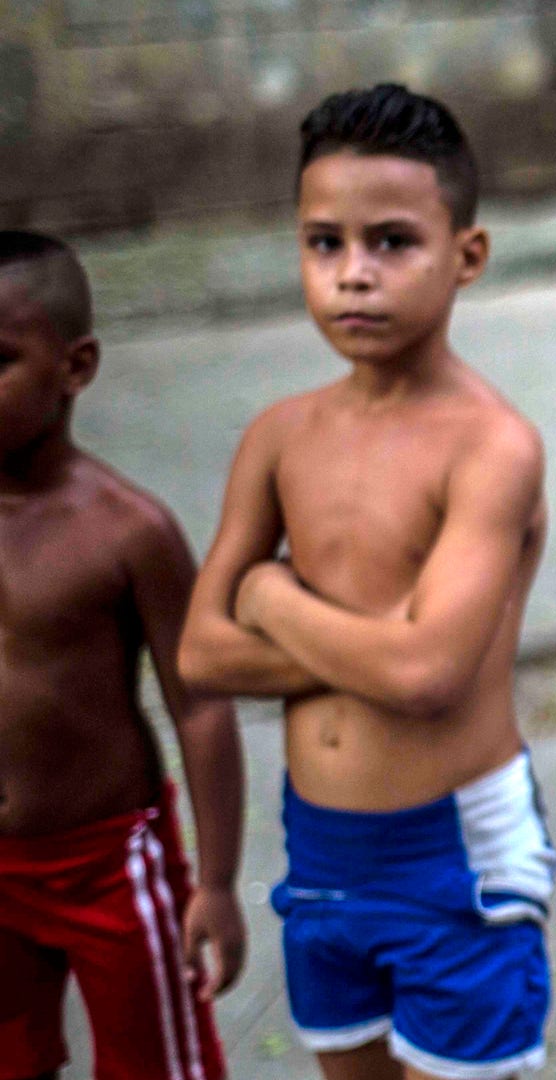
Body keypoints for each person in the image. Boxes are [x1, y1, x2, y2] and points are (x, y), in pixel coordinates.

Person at [179, 85, 556, 1080]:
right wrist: (380, 647)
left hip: (453, 854)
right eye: (324, 243)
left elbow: (427, 676)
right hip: (320, 852)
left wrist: (270, 599)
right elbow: (199, 654)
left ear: (466, 254)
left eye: (392, 242)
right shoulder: (279, 437)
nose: (354, 273)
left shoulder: (491, 447)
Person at [0, 230, 243, 1080]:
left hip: (108, 864)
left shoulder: (126, 530)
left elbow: (200, 704)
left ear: (76, 366)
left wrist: (217, 882)